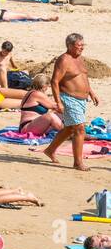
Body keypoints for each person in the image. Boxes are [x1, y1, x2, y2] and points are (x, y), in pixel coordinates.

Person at [45, 32, 101, 171]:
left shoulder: (79, 58)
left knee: (70, 128)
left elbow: (83, 77)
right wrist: (58, 102)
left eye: (83, 45)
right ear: (70, 45)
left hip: (82, 99)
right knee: (79, 129)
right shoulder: (64, 59)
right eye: (79, 45)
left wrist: (91, 92)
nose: (82, 48)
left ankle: (50, 150)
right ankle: (77, 162)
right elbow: (54, 81)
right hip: (68, 98)